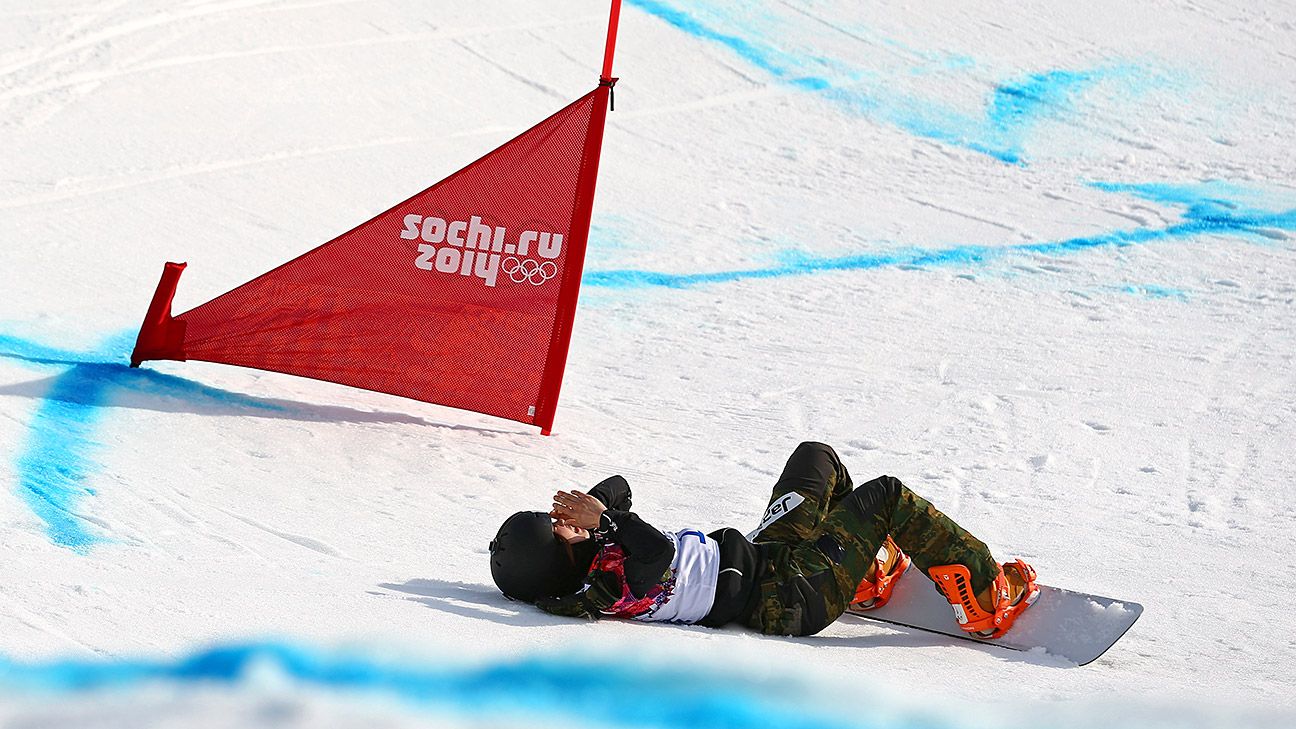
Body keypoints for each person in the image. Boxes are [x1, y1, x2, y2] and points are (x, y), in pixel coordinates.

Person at [488, 442, 1038, 638]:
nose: (568, 526)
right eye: (557, 531)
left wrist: (590, 513)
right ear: (559, 561)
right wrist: (603, 522)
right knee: (887, 496)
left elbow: (618, 490)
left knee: (814, 458)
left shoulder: (595, 551)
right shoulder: (607, 588)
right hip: (790, 597)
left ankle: (863, 572)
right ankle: (984, 595)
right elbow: (653, 552)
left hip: (767, 556)